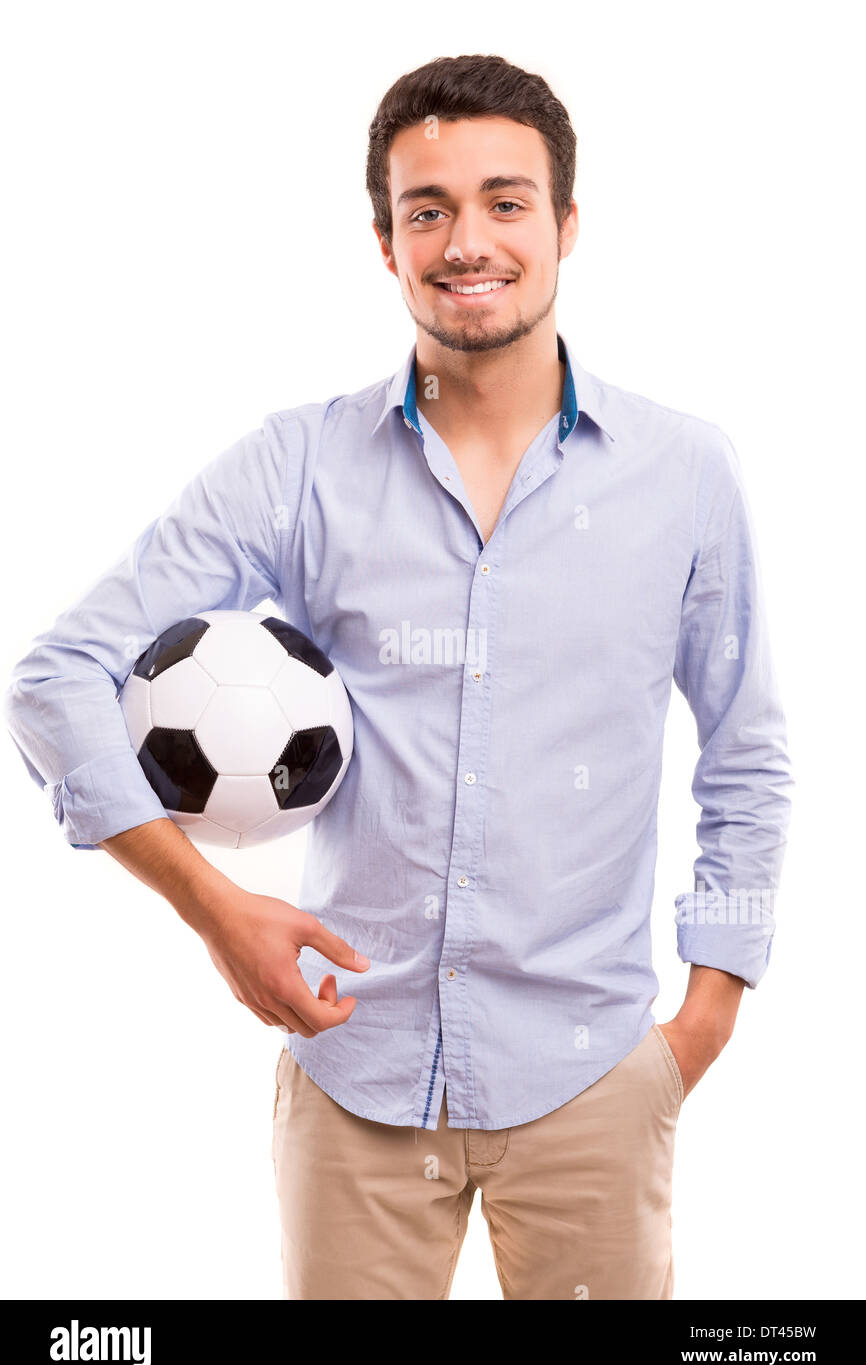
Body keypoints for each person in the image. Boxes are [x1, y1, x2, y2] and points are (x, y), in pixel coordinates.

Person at [3, 53, 794, 1300]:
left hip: (591, 1074)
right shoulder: (299, 467)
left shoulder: (686, 474)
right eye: (426, 209)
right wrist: (214, 909)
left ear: (565, 223)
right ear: (385, 242)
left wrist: (704, 1018)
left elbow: (743, 752)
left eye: (503, 200)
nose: (465, 240)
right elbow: (55, 675)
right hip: (351, 1075)